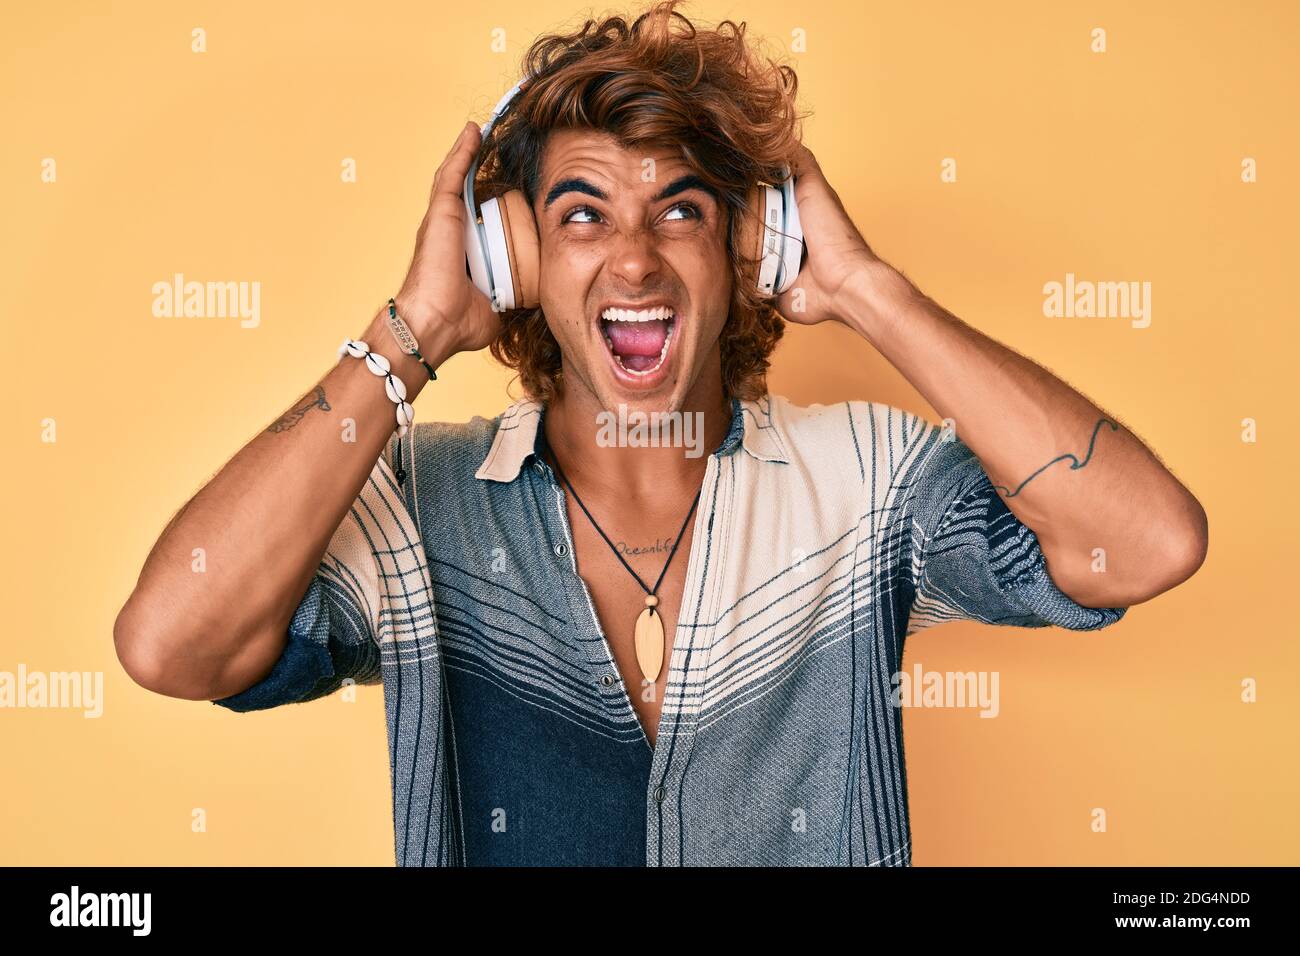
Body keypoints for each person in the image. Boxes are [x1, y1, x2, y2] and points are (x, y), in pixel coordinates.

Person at [113, 1, 1208, 866]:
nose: (633, 261)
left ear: (750, 252)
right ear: (513, 260)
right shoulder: (418, 503)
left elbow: (1148, 542)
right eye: (581, 214)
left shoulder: (863, 482)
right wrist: (410, 334)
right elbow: (172, 644)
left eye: (679, 210)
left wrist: (874, 293)